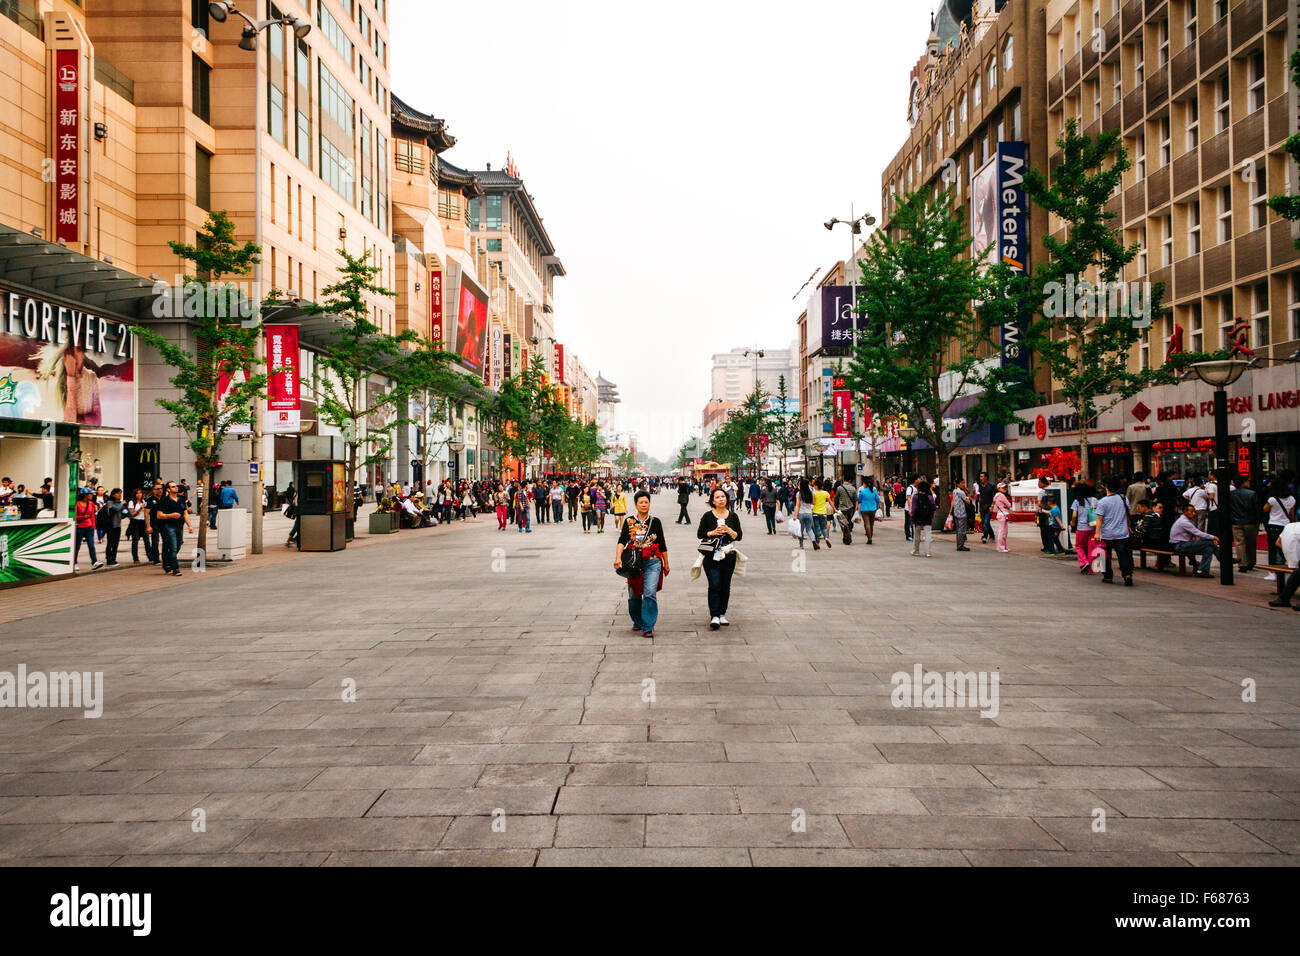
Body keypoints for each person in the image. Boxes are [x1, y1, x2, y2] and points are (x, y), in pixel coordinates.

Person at [615, 490, 669, 638]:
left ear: (649, 504)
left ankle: (648, 626)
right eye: (641, 502)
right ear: (636, 504)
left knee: (650, 593)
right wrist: (618, 558)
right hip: (633, 563)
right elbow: (622, 540)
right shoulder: (629, 521)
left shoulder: (655, 521)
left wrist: (666, 563)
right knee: (634, 595)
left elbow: (662, 543)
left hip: (653, 561)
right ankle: (637, 620)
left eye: (646, 502)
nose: (644, 505)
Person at [697, 487, 742, 630]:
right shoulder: (707, 516)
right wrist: (712, 532)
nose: (721, 499)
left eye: (723, 496)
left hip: (728, 555)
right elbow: (700, 534)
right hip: (711, 556)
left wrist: (728, 529)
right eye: (717, 497)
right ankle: (714, 615)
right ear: (712, 501)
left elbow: (739, 536)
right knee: (715, 584)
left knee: (725, 586)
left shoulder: (733, 516)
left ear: (727, 499)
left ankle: (722, 613)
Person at [1094, 475, 1135, 586]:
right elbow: (1127, 514)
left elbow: (1099, 518)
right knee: (1123, 555)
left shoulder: (1102, 502)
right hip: (1122, 533)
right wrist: (1129, 526)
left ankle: (1107, 576)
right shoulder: (1123, 498)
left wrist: (1097, 533)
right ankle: (1127, 575)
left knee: (1104, 555)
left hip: (1107, 534)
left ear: (1106, 486)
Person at [1170, 502, 1219, 578]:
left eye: (1194, 511)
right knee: (1209, 543)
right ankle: (1222, 557)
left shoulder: (1185, 520)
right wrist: (1213, 537)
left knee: (1208, 549)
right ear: (1185, 512)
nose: (1194, 513)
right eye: (1191, 511)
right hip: (1180, 545)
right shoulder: (1184, 522)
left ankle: (1202, 571)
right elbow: (1197, 532)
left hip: (1184, 544)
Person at [155, 480, 189, 576]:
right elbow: (159, 515)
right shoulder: (164, 501)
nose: (176, 487)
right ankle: (175, 568)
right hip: (169, 526)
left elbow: (185, 513)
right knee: (173, 547)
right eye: (173, 487)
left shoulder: (182, 499)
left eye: (176, 486)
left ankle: (167, 563)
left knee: (179, 544)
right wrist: (171, 515)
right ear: (168, 490)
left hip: (180, 525)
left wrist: (189, 526)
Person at [1264, 478, 1296, 575]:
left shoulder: (1272, 499)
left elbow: (1265, 509)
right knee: (1284, 547)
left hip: (1273, 524)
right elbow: (1292, 514)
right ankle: (1283, 564)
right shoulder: (1292, 499)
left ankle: (1272, 571)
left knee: (1272, 548)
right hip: (1285, 525)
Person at [1267, 519, 1300, 611]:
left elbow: (1278, 542)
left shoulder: (1290, 526)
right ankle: (1283, 598)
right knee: (1297, 572)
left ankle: (1283, 599)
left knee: (1297, 572)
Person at [1231, 475, 1259, 574]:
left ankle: (1242, 563)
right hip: (1250, 522)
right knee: (1251, 543)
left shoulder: (1231, 494)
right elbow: (1256, 508)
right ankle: (1251, 562)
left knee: (1239, 543)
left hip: (1236, 522)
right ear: (1244, 482)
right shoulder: (1252, 493)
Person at [1071, 481, 1100, 574]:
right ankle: (1091, 569)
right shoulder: (1094, 500)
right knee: (1091, 548)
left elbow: (1074, 515)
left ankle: (1084, 562)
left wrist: (1072, 522)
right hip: (1093, 527)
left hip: (1081, 528)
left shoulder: (1077, 501)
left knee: (1079, 546)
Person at [73, 490, 102, 570]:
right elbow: (74, 516)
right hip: (79, 527)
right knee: (77, 546)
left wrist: (93, 526)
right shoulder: (77, 504)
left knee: (91, 545)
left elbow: (92, 515)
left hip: (89, 528)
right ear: (85, 495)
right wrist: (82, 517)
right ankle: (74, 563)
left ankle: (94, 562)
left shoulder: (91, 504)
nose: (92, 495)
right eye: (90, 494)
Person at [101, 488, 127, 566]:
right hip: (111, 525)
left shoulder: (119, 503)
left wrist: (125, 513)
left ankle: (114, 558)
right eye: (118, 493)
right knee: (110, 543)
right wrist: (122, 504)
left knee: (116, 543)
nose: (119, 495)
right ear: (113, 494)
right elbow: (116, 509)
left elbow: (122, 513)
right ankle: (109, 559)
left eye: (120, 493)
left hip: (118, 525)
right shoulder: (109, 502)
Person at [910, 479, 935, 557]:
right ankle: (928, 552)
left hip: (917, 517)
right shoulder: (930, 497)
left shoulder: (915, 497)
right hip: (927, 517)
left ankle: (916, 551)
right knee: (928, 534)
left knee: (917, 535)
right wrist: (932, 516)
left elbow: (913, 509)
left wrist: (911, 518)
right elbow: (933, 508)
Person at [126, 488, 149, 563]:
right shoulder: (131, 502)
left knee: (147, 540)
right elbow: (132, 514)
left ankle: (150, 556)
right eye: (137, 493)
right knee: (135, 541)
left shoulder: (143, 501)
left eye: (140, 493)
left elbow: (146, 513)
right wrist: (140, 509)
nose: (139, 495)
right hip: (135, 522)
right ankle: (135, 558)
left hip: (143, 522)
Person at [810, 477, 832, 550]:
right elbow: (830, 501)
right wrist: (835, 509)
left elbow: (813, 502)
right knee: (823, 528)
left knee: (816, 528)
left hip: (816, 513)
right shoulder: (825, 493)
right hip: (823, 513)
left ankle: (818, 543)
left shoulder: (814, 493)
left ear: (816, 486)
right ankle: (826, 538)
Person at [857, 477, 880, 545]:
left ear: (865, 484)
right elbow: (878, 500)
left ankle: (869, 538)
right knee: (871, 523)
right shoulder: (874, 491)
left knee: (866, 523)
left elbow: (859, 500)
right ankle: (871, 535)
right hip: (873, 509)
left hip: (864, 509)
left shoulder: (862, 491)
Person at [992, 481, 1012, 553]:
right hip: (1003, 514)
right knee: (1003, 531)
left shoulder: (996, 495)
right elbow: (1009, 504)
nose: (1005, 488)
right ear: (999, 488)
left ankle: (1004, 547)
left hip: (1001, 514)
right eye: (1003, 487)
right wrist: (1007, 505)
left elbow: (995, 502)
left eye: (1005, 487)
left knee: (1004, 531)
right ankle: (1001, 547)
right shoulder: (1001, 495)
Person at [793, 478, 813, 549]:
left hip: (801, 513)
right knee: (809, 529)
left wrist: (795, 515)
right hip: (809, 513)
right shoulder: (811, 492)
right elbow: (813, 503)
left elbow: (797, 505)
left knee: (800, 530)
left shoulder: (799, 493)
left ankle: (801, 545)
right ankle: (813, 540)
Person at [952, 477, 970, 551]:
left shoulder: (954, 491)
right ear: (958, 484)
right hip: (962, 512)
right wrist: (968, 495)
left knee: (958, 529)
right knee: (962, 529)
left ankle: (959, 544)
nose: (964, 484)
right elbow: (968, 501)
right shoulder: (961, 492)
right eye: (962, 483)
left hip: (956, 512)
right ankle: (960, 545)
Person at [978, 472, 996, 543]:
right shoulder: (980, 485)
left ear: (986, 477)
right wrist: (979, 508)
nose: (981, 478)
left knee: (986, 522)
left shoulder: (992, 485)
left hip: (989, 507)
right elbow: (980, 497)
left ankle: (984, 537)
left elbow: (995, 497)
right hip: (982, 507)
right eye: (980, 477)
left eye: (982, 477)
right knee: (985, 522)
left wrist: (992, 506)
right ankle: (992, 535)